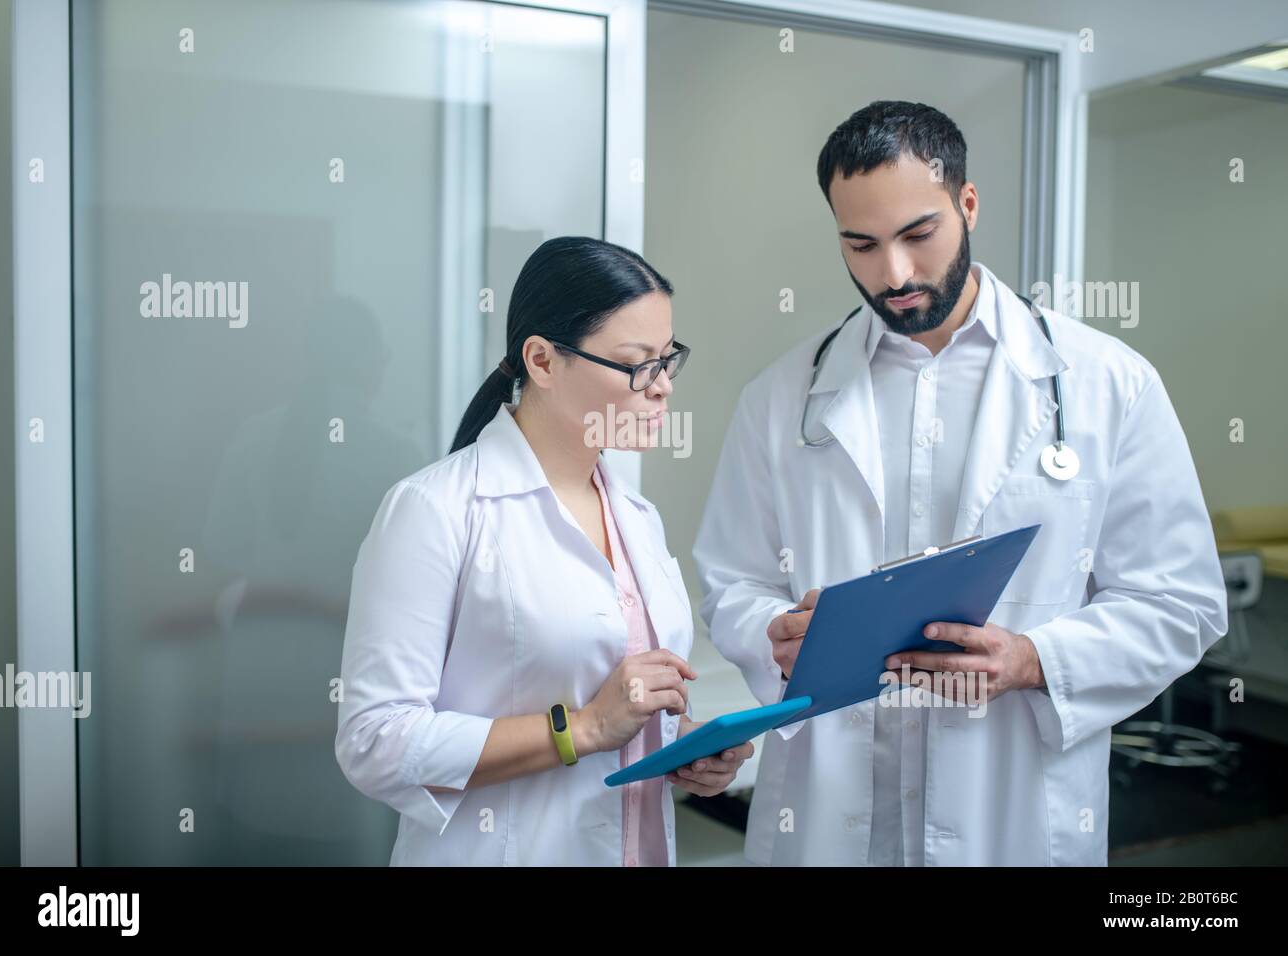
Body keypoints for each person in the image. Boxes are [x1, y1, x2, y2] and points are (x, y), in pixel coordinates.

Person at [693, 101, 1227, 866]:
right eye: (862, 245)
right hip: (835, 811)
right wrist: (771, 637)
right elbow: (732, 581)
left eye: (919, 235)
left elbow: (1179, 601)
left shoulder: (1108, 384)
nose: (895, 274)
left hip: (1011, 806)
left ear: (967, 204)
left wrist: (1033, 660)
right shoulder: (781, 397)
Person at [336, 235, 752, 866]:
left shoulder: (638, 519)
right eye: (638, 364)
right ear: (543, 361)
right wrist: (578, 730)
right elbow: (374, 741)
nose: (663, 386)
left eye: (668, 359)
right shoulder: (435, 510)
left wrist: (682, 750)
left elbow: (623, 709)